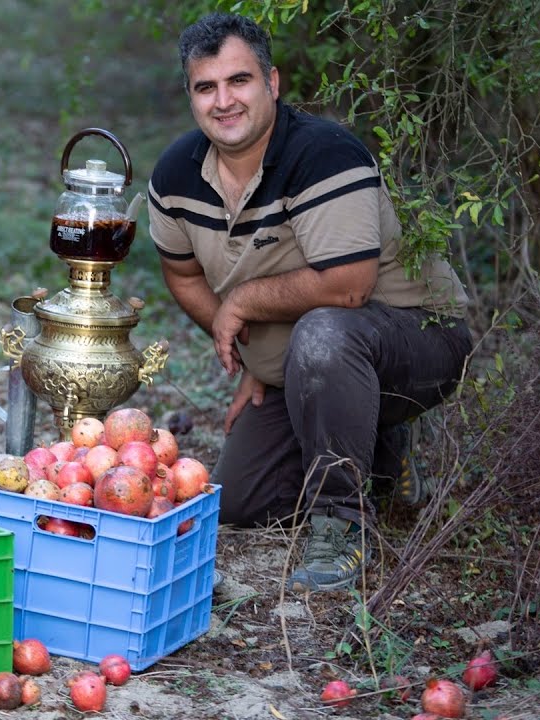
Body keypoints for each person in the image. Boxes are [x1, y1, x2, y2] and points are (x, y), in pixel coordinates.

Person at [148, 13, 472, 591]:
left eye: (239, 81)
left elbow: (349, 286)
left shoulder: (325, 154)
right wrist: (251, 362)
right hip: (310, 359)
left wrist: (243, 299)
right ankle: (376, 450)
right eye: (206, 87)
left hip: (418, 337)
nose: (224, 101)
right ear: (191, 96)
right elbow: (182, 273)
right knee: (238, 503)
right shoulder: (176, 172)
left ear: (272, 83)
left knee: (325, 334)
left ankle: (341, 525)